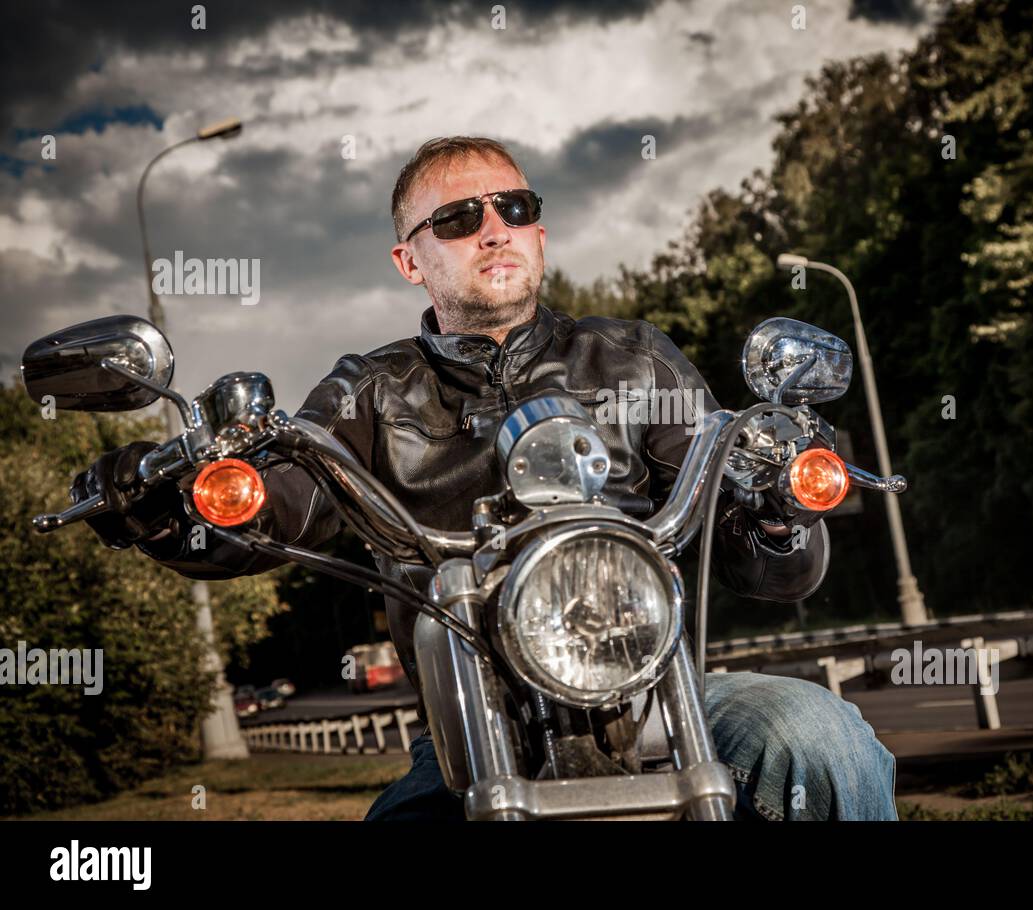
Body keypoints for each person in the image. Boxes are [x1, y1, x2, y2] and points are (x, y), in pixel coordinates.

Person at [73, 136, 897, 821]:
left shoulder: (636, 358)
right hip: (470, 727)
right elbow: (286, 497)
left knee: (816, 736)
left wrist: (775, 509)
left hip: (653, 696)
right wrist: (165, 500)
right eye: (460, 218)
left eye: (516, 209)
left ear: (539, 234)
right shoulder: (371, 389)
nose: (494, 228)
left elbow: (759, 561)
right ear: (410, 259)